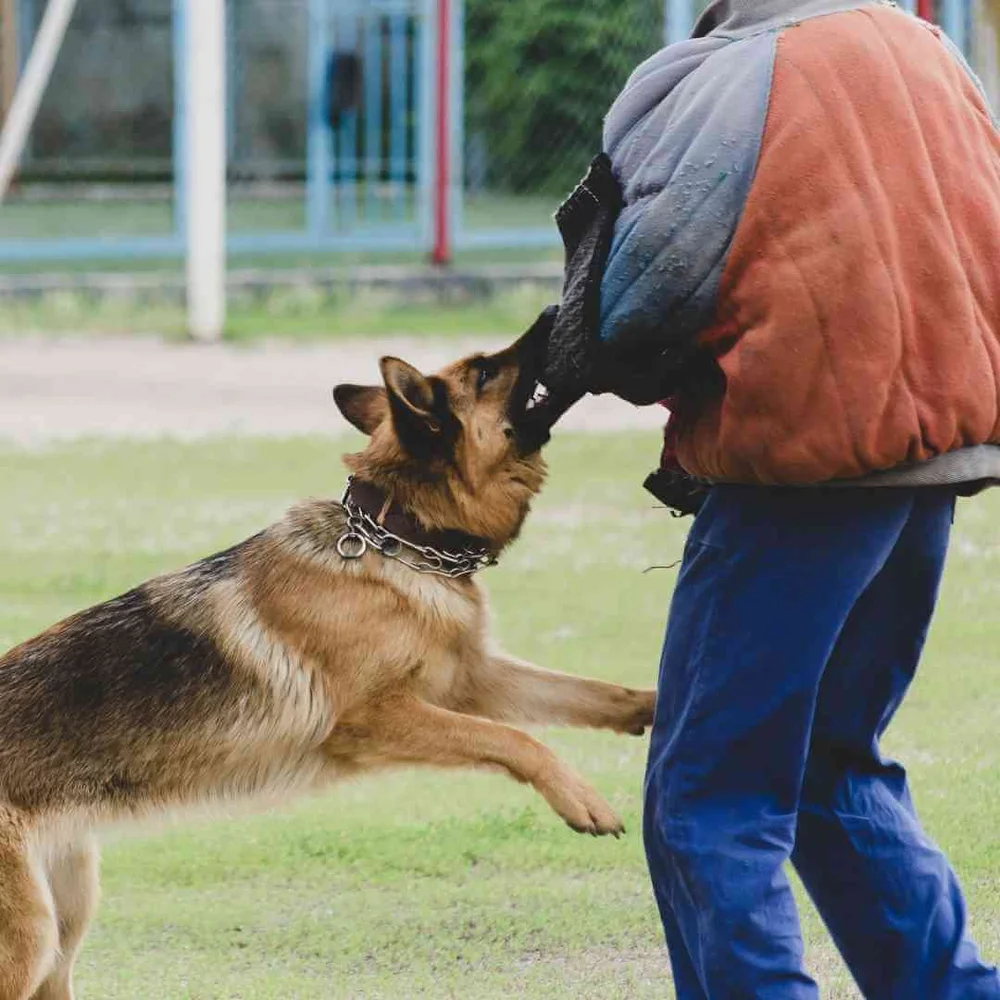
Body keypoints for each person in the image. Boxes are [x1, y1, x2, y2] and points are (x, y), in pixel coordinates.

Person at [539, 1, 1000, 996]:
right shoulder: (927, 47)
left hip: (799, 467)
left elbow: (639, 294)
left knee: (707, 789)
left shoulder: (726, 72)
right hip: (935, 459)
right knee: (835, 760)